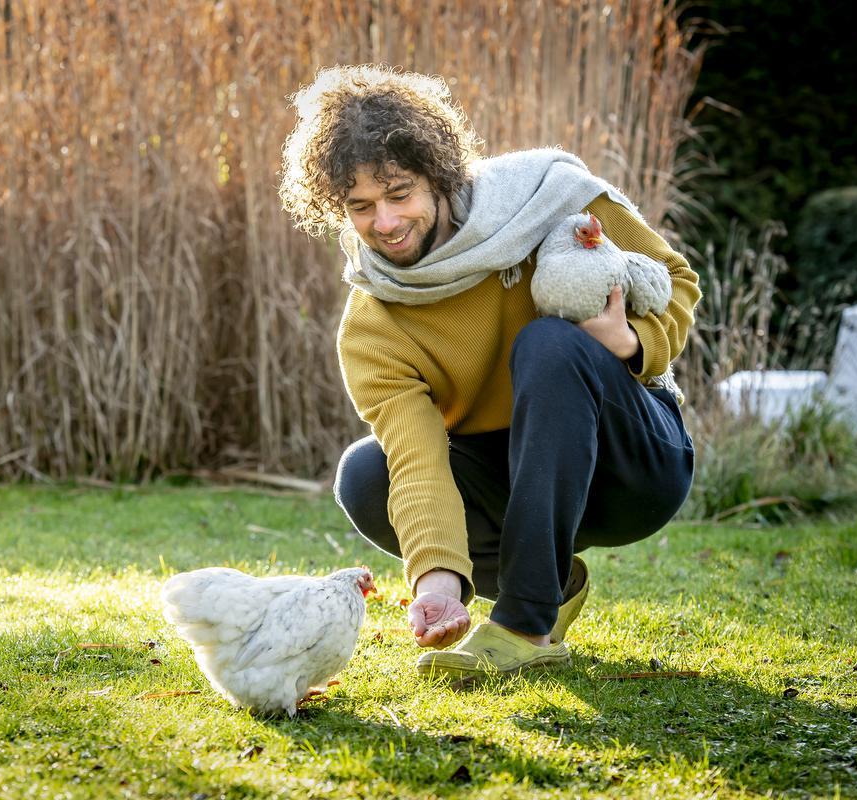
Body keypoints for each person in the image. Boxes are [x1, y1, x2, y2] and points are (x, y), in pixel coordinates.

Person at [278, 65, 701, 681]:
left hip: (629, 462)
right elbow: (420, 463)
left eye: (400, 195)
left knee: (549, 344)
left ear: (439, 176)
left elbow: (677, 279)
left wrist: (631, 340)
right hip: (511, 477)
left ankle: (526, 621)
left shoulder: (547, 196)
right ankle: (546, 582)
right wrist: (436, 583)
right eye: (361, 207)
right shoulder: (373, 323)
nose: (386, 223)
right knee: (367, 475)